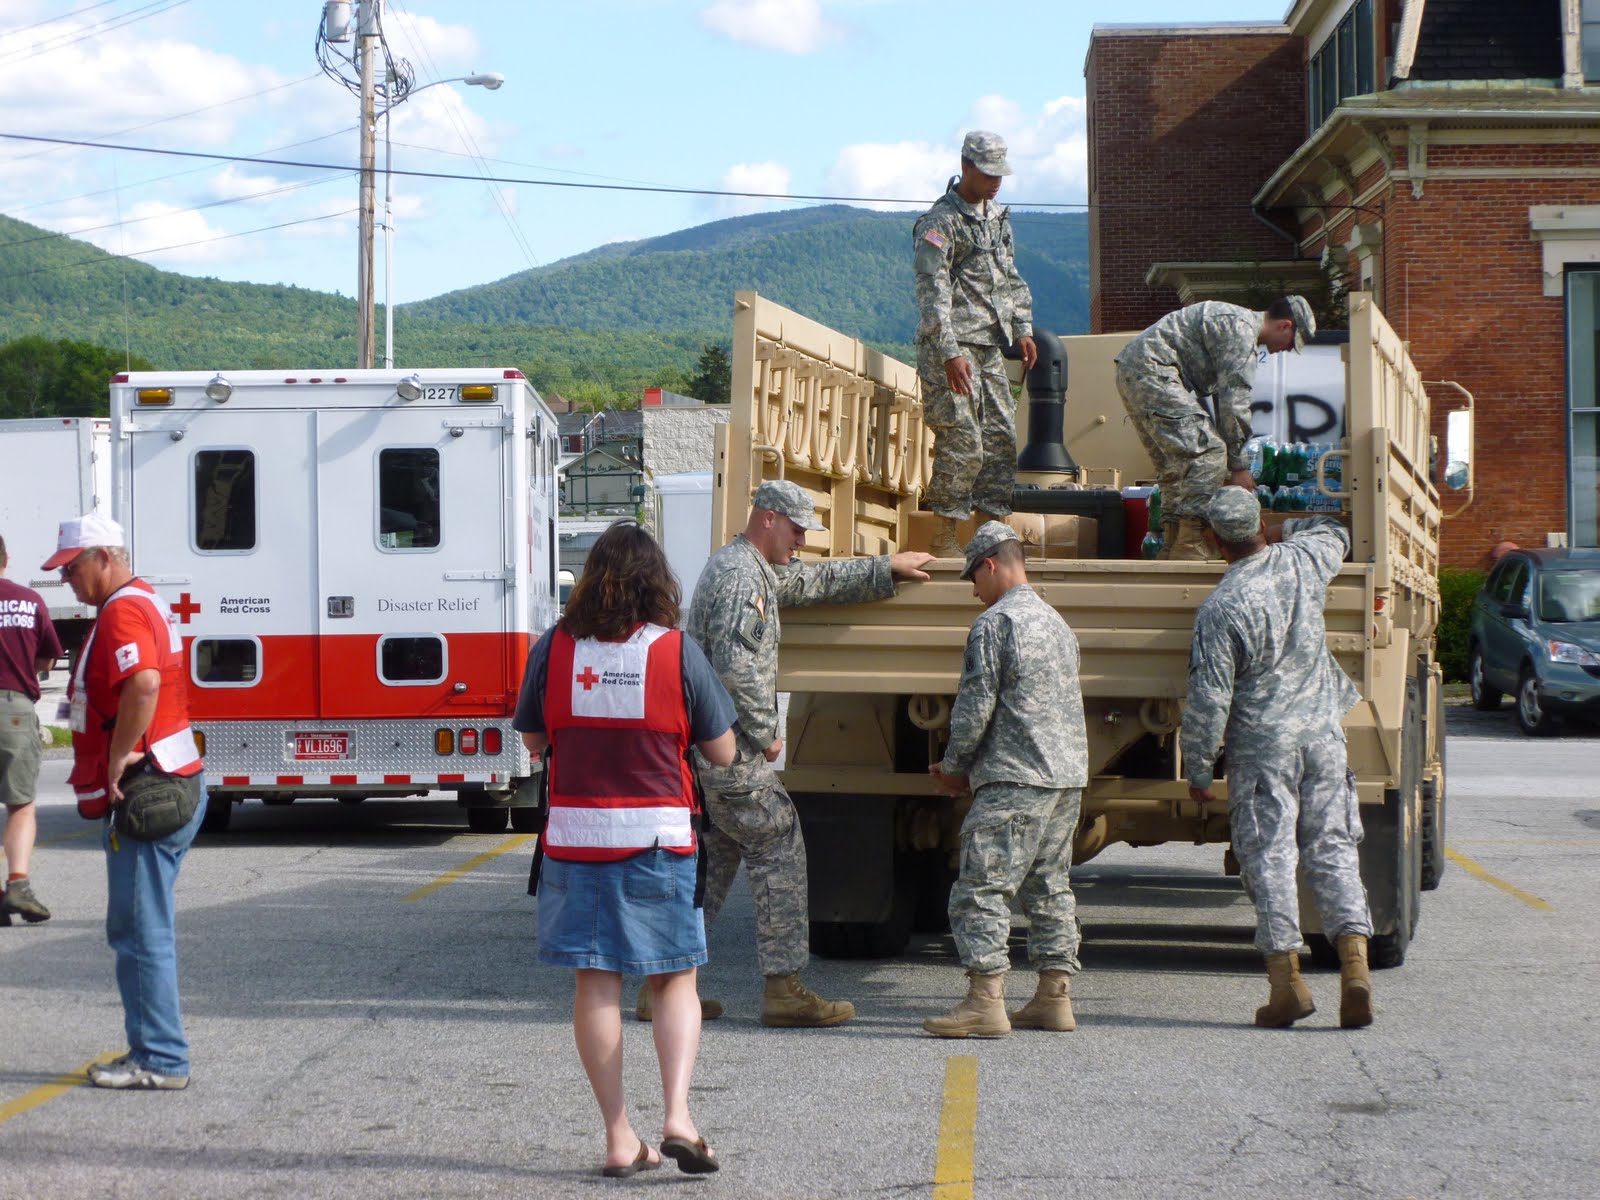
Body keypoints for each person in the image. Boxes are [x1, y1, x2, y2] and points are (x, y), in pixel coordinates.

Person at [666, 479, 934, 1028]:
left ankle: (663, 985)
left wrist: (885, 569)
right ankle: (784, 990)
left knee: (718, 861)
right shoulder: (745, 578)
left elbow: (811, 581)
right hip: (732, 752)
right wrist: (766, 734)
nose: (802, 540)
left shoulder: (742, 566)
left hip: (711, 752)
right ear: (767, 519)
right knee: (781, 843)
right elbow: (737, 669)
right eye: (795, 528)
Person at [513, 521, 737, 1177]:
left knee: (597, 980)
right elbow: (722, 752)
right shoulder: (676, 650)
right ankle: (678, 1116)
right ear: (657, 584)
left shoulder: (554, 650)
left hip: (576, 839)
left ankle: (619, 1136)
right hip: (659, 841)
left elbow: (531, 741)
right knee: (673, 978)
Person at [1181, 487, 1374, 1029]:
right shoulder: (1300, 563)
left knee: (1270, 860)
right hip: (1323, 736)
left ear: (1215, 542)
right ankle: (1354, 968)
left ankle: (1286, 986)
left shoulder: (1221, 608)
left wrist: (1199, 769)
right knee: (1333, 848)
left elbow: (1209, 698)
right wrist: (1287, 527)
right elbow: (1333, 531)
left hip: (1263, 750)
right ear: (1261, 526)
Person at [46, 513, 207, 1087]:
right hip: (170, 777)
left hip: (150, 787)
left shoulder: (122, 611)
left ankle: (161, 1059)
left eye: (72, 568)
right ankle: (156, 1052)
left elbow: (142, 683)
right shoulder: (140, 601)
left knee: (141, 932)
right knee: (141, 928)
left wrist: (117, 755)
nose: (67, 581)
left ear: (105, 559)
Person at [923, 523, 1089, 1038]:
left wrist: (953, 769)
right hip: (1064, 779)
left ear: (991, 564)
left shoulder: (995, 624)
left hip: (1015, 779)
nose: (972, 588)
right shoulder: (1057, 622)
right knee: (1049, 887)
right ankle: (1053, 998)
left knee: (980, 890)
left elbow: (974, 709)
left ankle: (985, 1002)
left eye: (973, 575)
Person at [1115, 295, 1316, 561]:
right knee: (1208, 453)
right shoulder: (1241, 333)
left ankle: (1173, 542)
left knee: (1177, 465)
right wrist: (1239, 465)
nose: (1288, 349)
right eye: (1292, 342)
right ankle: (1192, 543)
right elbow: (1235, 402)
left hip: (1136, 371)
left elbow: (1224, 400)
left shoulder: (1233, 321)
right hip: (1155, 372)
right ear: (1285, 326)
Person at [913, 130, 1037, 558]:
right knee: (963, 440)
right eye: (987, 173)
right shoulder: (939, 222)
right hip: (951, 346)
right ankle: (945, 533)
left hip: (989, 344)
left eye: (1000, 173)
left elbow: (1010, 276)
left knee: (1001, 439)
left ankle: (991, 536)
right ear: (966, 167)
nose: (996, 181)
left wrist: (1023, 326)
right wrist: (948, 352)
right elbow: (932, 291)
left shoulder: (997, 216)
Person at [0, 532, 63, 924]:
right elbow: (47, 660)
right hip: (15, 710)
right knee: (21, 804)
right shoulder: (30, 600)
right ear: (5, 558)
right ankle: (18, 885)